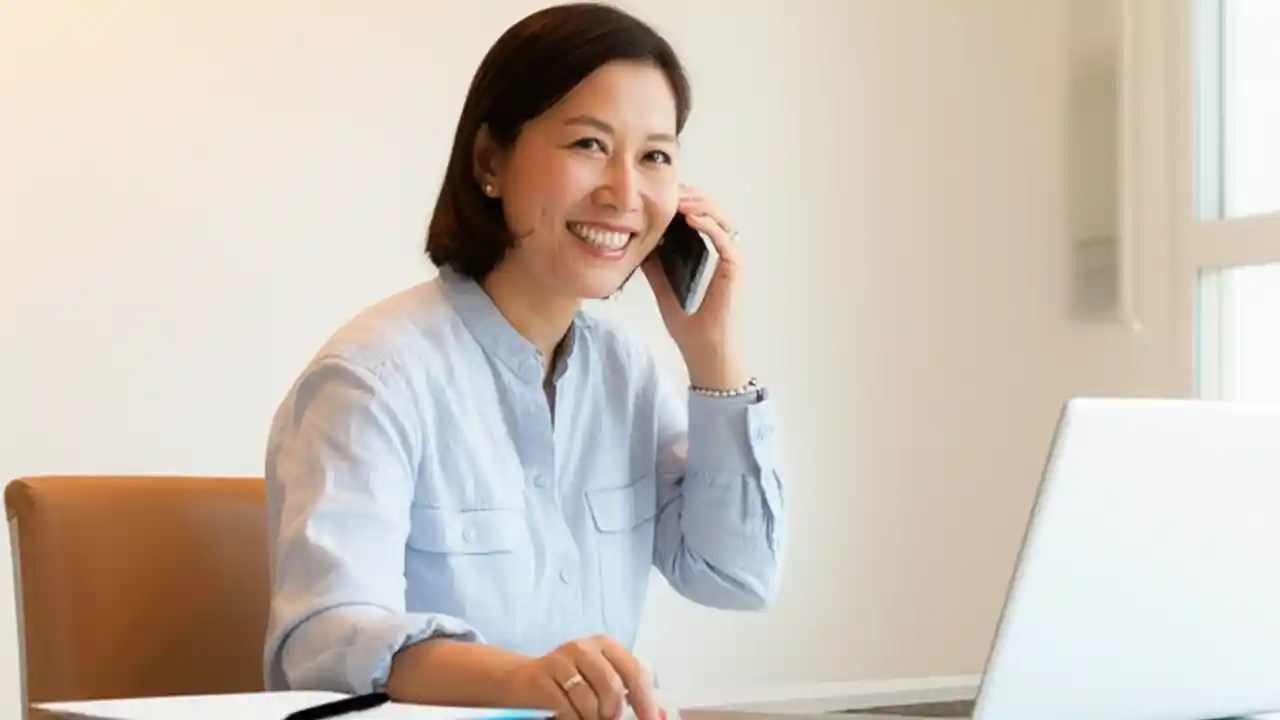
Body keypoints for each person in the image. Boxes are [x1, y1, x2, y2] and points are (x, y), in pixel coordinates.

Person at [262, 4, 787, 719]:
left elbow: (736, 574)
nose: (624, 193)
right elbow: (323, 641)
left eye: (655, 156)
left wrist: (713, 356)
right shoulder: (372, 379)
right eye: (589, 144)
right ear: (490, 161)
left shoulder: (626, 376)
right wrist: (520, 680)